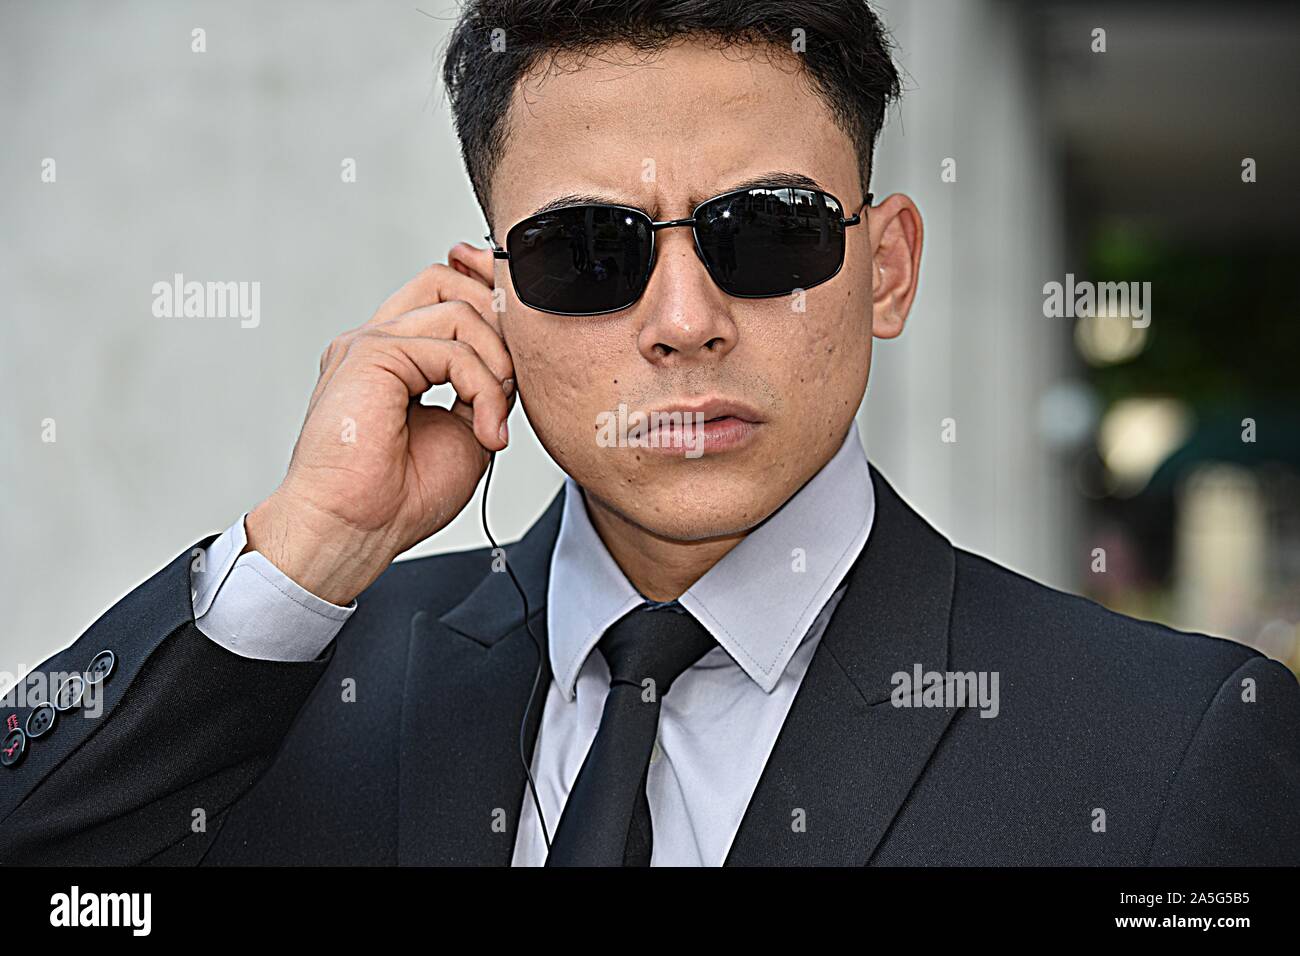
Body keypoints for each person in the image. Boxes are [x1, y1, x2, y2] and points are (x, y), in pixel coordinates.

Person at [3, 0, 1297, 867]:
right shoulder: (301, 689)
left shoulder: (1168, 749)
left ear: (887, 268)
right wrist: (300, 552)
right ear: (491, 294)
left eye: (769, 232)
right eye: (586, 252)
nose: (684, 322)